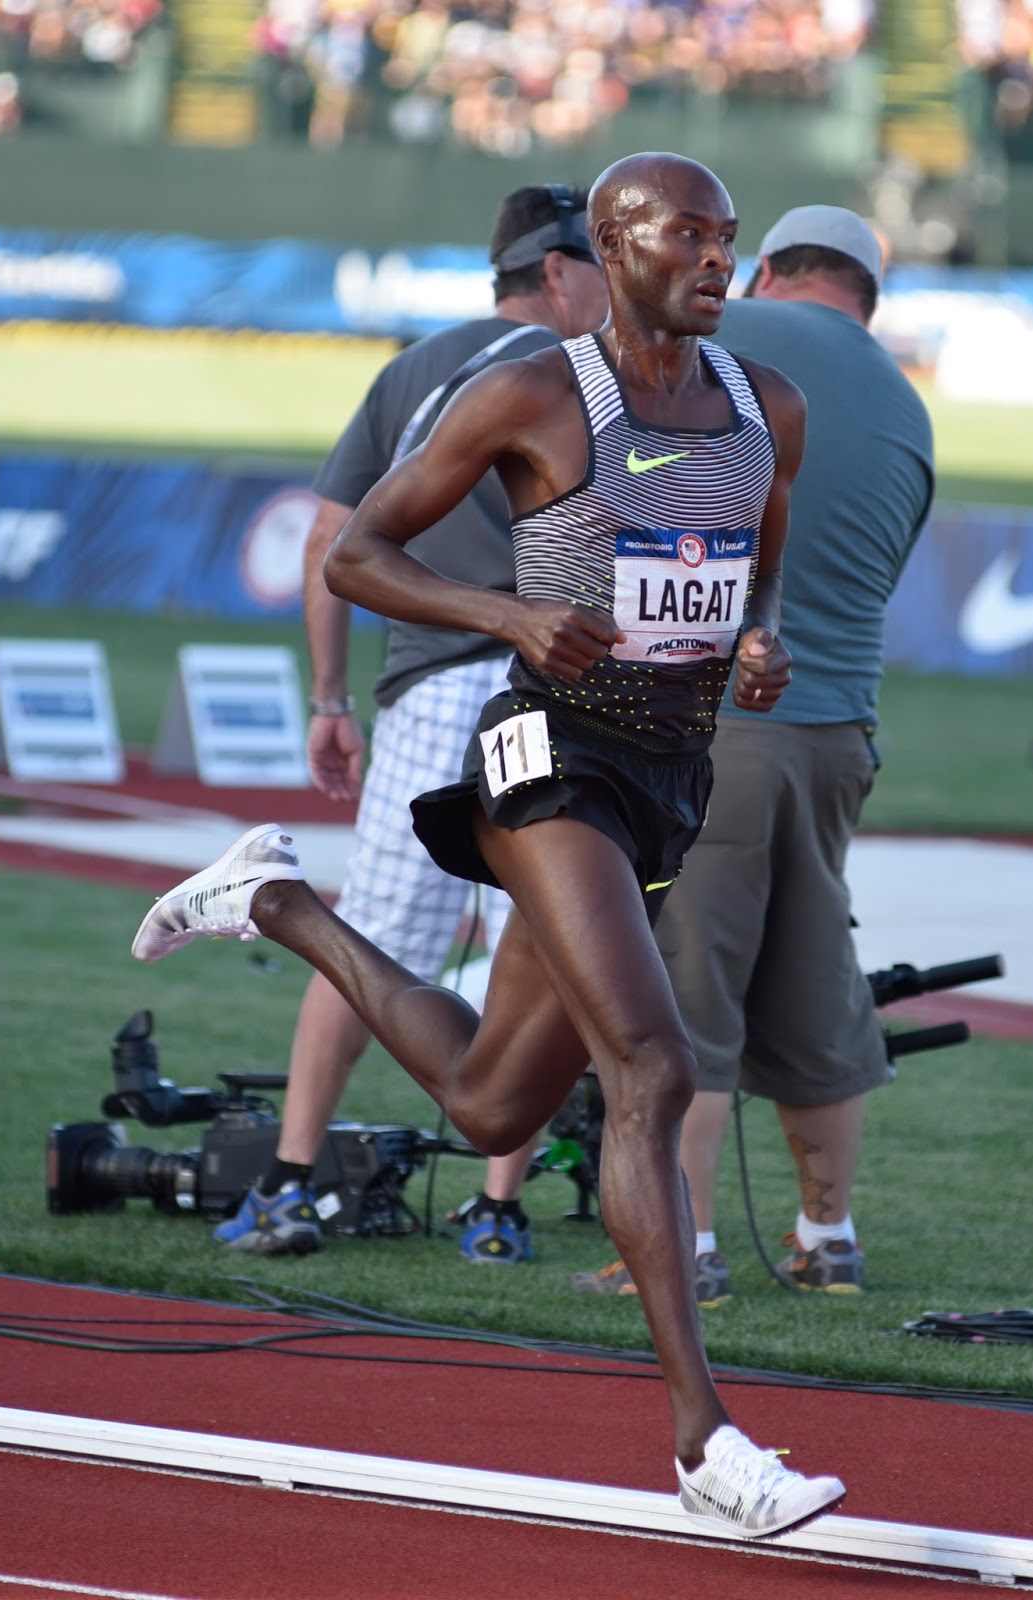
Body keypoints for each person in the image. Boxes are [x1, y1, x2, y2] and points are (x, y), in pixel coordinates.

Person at [132, 151, 848, 1537]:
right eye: (686, 236)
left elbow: (752, 569)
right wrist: (512, 619)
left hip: (664, 778)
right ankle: (707, 1444)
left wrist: (758, 643)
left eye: (729, 239)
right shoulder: (535, 390)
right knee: (649, 1066)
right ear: (615, 245)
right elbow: (354, 554)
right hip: (543, 759)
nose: (716, 260)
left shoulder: (772, 407)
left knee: (488, 1105)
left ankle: (273, 897)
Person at [214, 183, 610, 1264]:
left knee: (373, 943)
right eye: (602, 269)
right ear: (559, 271)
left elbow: (330, 543)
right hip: (555, 694)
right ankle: (494, 1207)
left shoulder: (416, 368)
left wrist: (330, 697)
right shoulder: (596, 379)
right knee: (544, 949)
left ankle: (291, 1182)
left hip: (435, 687)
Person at [572, 205, 934, 1305]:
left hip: (711, 718)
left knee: (683, 989)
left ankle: (678, 1249)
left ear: (766, 266)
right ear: (868, 294)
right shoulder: (907, 406)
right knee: (816, 979)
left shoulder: (729, 342)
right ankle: (826, 1234)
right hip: (837, 736)